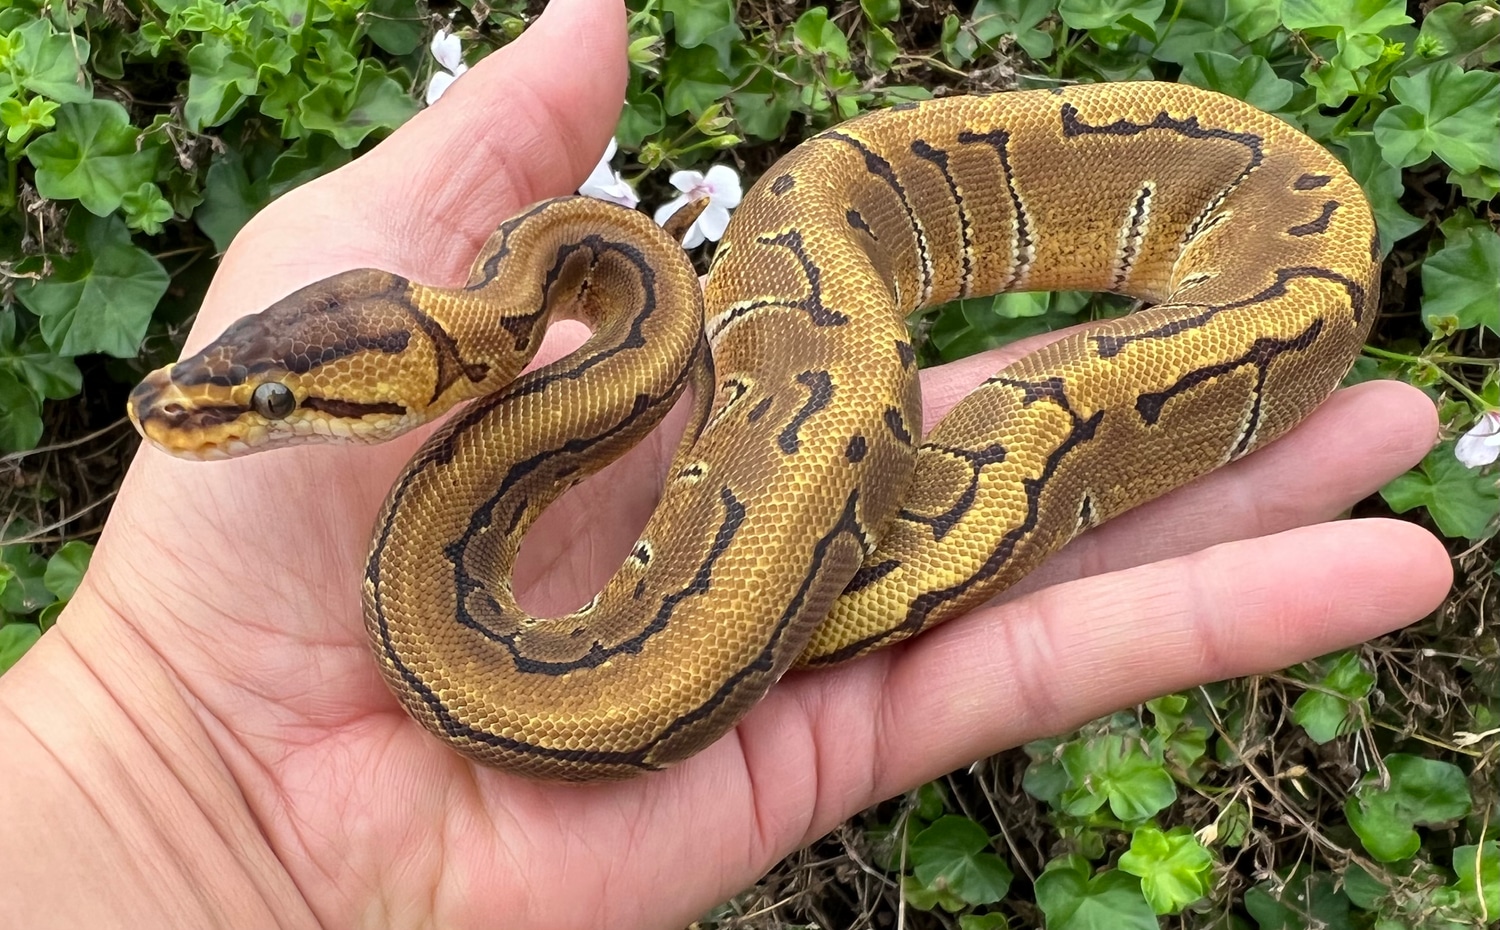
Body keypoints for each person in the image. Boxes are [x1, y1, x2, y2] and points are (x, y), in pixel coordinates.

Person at [0, 1, 1452, 927]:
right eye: (263, 394)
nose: (223, 417)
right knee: (859, 255)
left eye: (262, 399)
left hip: (1234, 236)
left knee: (844, 217)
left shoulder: (588, 292)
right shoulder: (577, 317)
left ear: (445, 352)